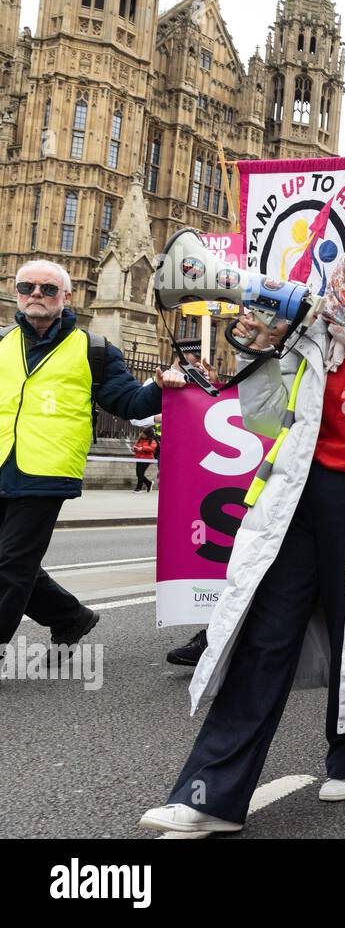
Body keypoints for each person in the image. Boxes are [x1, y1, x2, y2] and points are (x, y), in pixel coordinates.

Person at [140, 242, 345, 834]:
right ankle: (210, 794)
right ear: (340, 277)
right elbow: (264, 419)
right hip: (297, 505)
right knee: (264, 640)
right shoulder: (308, 335)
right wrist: (256, 352)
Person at [1, 260, 191, 669]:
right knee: (16, 563)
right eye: (27, 287)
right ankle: (70, 617)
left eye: (48, 289)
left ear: (66, 298)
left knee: (10, 566)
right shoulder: (1, 342)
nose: (36, 294)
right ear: (16, 292)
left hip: (45, 475)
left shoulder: (94, 350)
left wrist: (159, 387)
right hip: (2, 465)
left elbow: (129, 404)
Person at [132, 428, 158, 493]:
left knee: (140, 472)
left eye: (144, 434)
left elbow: (152, 448)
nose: (142, 434)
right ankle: (149, 483)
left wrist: (142, 448)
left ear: (148, 435)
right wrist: (134, 448)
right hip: (139, 458)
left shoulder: (152, 441)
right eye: (142, 433)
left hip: (147, 459)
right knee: (138, 473)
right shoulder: (140, 440)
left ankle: (139, 488)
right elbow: (136, 446)